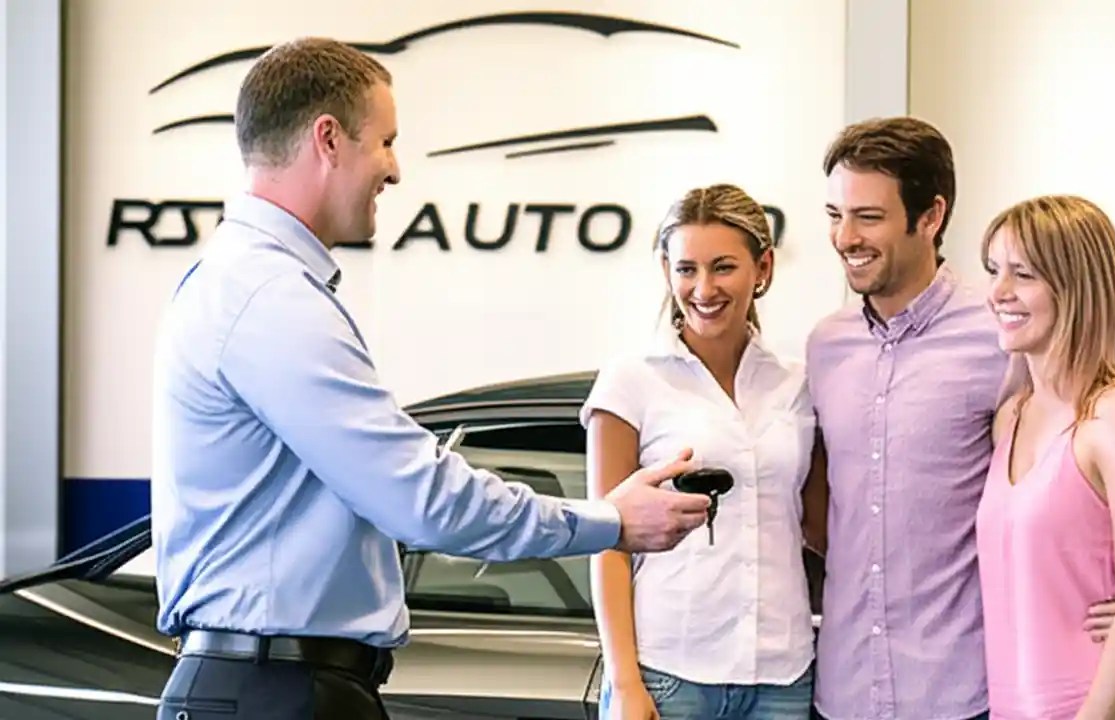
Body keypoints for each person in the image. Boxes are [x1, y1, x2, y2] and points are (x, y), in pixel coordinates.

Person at [149, 38, 710, 720]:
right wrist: (611, 521)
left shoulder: (254, 285)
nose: (395, 169)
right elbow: (423, 497)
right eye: (385, 141)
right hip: (277, 690)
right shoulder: (269, 298)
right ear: (328, 139)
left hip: (283, 685)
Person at [801, 117, 1115, 720]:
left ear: (929, 216)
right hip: (848, 690)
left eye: (868, 217)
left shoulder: (1008, 339)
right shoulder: (826, 347)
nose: (845, 236)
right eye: (835, 215)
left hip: (965, 690)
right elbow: (821, 504)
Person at [582, 184, 818, 720]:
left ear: (763, 269)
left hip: (782, 677)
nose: (703, 288)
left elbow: (823, 524)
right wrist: (625, 684)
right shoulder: (631, 379)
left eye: (723, 267)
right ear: (666, 270)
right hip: (670, 674)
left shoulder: (798, 384)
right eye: (686, 269)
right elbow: (606, 539)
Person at [977, 195, 1115, 719]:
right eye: (994, 270)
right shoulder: (1011, 417)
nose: (998, 293)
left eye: (1023, 274)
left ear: (1077, 287)